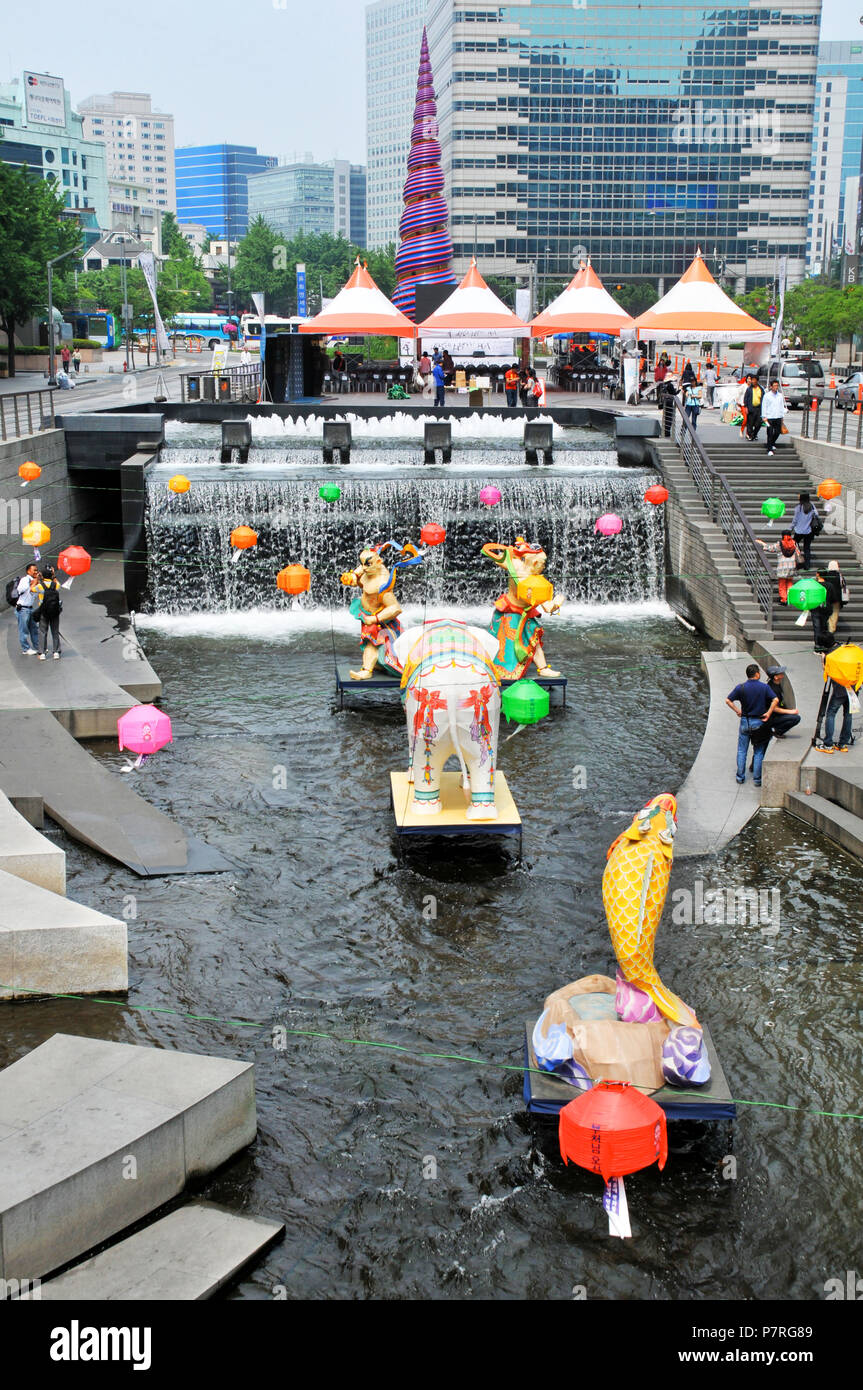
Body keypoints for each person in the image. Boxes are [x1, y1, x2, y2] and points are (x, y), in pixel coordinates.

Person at [725, 663, 779, 786]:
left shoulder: (741, 687)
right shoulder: (764, 687)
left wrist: (737, 711)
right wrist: (769, 713)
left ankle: (740, 777)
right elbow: (775, 699)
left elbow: (728, 700)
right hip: (759, 722)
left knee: (742, 750)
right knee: (759, 752)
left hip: (745, 721)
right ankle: (757, 779)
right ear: (757, 674)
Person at [749, 666, 801, 766]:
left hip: (767, 720)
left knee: (760, 747)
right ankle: (777, 730)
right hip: (770, 719)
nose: (783, 674)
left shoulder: (776, 685)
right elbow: (775, 707)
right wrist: (790, 711)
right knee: (761, 747)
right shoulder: (772, 689)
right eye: (780, 673)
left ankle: (754, 766)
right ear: (775, 677)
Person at [756, 532, 802, 604]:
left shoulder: (780, 544)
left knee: (782, 584)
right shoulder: (794, 543)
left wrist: (762, 543)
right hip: (792, 567)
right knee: (789, 583)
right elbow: (798, 553)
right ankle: (790, 598)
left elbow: (770, 548)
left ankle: (784, 599)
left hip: (782, 568)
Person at [33, 565, 62, 660]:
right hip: (55, 611)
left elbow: (31, 589)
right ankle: (56, 652)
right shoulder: (55, 585)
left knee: (42, 632)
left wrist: (37, 579)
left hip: (44, 612)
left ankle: (42, 653)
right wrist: (53, 575)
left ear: (42, 576)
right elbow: (59, 585)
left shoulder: (40, 586)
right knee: (55, 631)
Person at [817, 679, 853, 753]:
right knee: (848, 714)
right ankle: (842, 744)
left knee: (831, 713)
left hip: (841, 688)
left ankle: (828, 745)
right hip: (853, 687)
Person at [14, 563, 40, 655]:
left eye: (37, 570)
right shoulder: (25, 579)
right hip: (22, 609)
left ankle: (37, 647)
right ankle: (25, 649)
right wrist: (31, 583)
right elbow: (20, 589)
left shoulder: (36, 581)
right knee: (24, 630)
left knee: (34, 629)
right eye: (34, 570)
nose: (36, 572)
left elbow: (35, 594)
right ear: (28, 571)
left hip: (30, 608)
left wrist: (36, 582)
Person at [791, 490, 820, 570]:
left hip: (799, 531)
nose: (798, 496)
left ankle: (799, 561)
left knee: (795, 545)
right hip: (809, 531)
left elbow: (795, 520)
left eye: (799, 495)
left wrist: (790, 529)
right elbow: (816, 515)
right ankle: (807, 565)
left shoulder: (798, 507)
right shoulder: (812, 506)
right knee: (807, 548)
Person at [762, 379, 787, 456]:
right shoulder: (767, 396)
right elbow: (764, 406)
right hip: (769, 417)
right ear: (771, 387)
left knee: (777, 432)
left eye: (777, 386)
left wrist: (782, 416)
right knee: (770, 432)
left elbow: (781, 406)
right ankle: (769, 449)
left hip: (778, 417)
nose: (776, 387)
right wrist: (764, 416)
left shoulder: (780, 395)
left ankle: (772, 443)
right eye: (775, 386)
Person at [825, 558, 846, 634]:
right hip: (837, 598)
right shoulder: (840, 576)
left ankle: (826, 626)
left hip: (827, 598)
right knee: (835, 613)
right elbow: (843, 586)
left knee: (827, 612)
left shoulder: (826, 576)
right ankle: (831, 629)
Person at [742, 374, 763, 440]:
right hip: (751, 408)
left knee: (758, 423)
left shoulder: (761, 389)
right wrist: (746, 407)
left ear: (757, 381)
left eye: (754, 380)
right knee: (750, 423)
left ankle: (754, 434)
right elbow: (746, 398)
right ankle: (751, 435)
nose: (752, 381)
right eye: (752, 380)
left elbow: (763, 398)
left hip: (759, 408)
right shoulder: (749, 389)